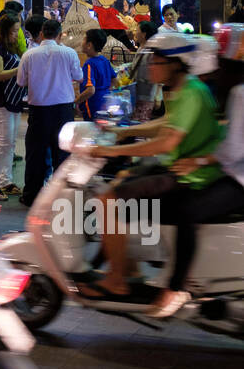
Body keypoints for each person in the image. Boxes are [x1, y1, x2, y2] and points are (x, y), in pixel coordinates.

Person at [77, 33, 222, 304]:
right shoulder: (182, 88)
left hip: (188, 175)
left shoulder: (191, 91)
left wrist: (112, 150)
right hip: (178, 168)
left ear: (176, 64)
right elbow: (166, 124)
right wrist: (125, 131)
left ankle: (116, 281)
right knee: (123, 180)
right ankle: (129, 268)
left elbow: (166, 142)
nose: (151, 67)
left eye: (157, 62)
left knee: (107, 200)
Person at [146, 23, 244, 316]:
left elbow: (233, 150)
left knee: (186, 210)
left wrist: (199, 160)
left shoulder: (239, 93)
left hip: (238, 179)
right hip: (232, 170)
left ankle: (175, 287)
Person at [16, 18, 82, 206]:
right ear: (60, 35)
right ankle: (63, 197)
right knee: (62, 154)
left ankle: (31, 196)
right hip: (63, 111)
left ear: (42, 34)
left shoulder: (29, 55)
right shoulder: (69, 53)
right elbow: (79, 76)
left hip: (38, 111)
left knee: (36, 154)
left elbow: (21, 82)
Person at [0, 12, 27, 198]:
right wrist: (19, 70)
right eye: (13, 31)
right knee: (3, 143)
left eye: (17, 31)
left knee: (10, 143)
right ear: (5, 31)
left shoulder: (10, 48)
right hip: (1, 100)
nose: (15, 35)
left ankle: (5, 180)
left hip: (13, 100)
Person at [76, 28, 117, 120]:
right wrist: (105, 92)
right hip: (105, 103)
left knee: (91, 130)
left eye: (84, 39)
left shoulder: (89, 64)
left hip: (93, 105)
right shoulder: (105, 60)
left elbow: (90, 90)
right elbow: (114, 80)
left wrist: (76, 102)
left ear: (89, 45)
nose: (81, 42)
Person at [124, 18, 161, 121]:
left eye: (137, 31)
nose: (135, 33)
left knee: (142, 123)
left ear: (144, 34)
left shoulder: (152, 51)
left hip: (147, 96)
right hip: (137, 94)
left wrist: (158, 97)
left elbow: (158, 75)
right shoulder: (141, 48)